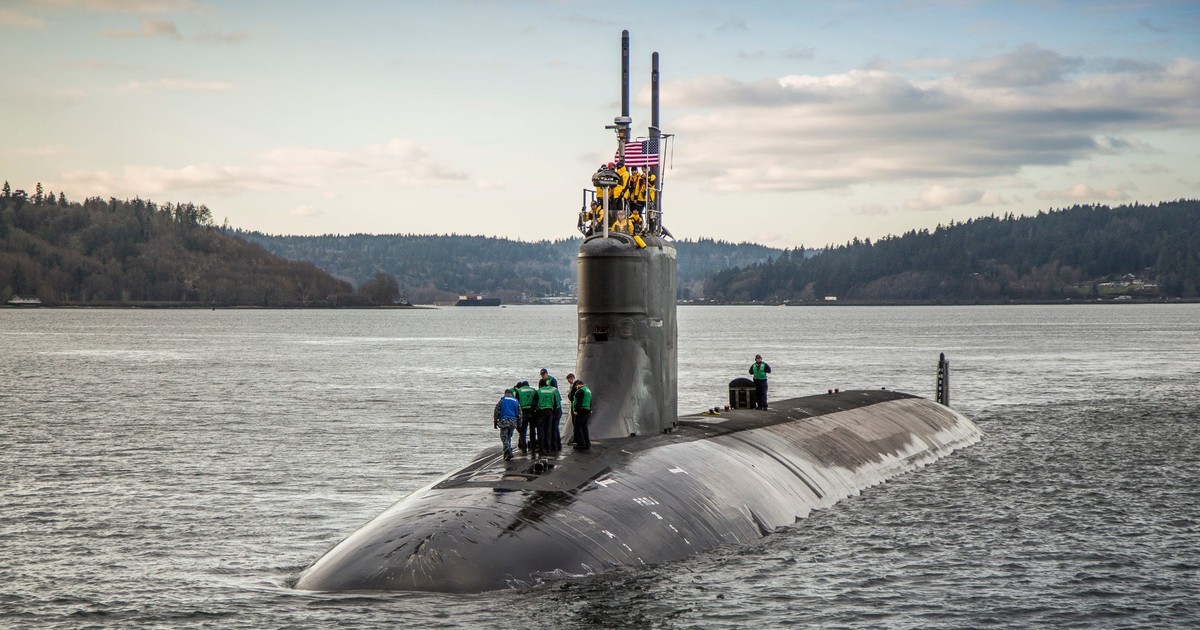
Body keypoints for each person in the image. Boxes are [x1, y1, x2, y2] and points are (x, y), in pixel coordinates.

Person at [535, 372, 562, 453]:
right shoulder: (553, 391)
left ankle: (542, 448)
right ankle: (552, 447)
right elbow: (556, 402)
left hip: (541, 413)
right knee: (551, 429)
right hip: (552, 411)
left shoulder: (538, 391)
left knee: (541, 430)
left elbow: (535, 403)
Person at [493, 388, 521, 461]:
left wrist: (495, 421)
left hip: (504, 420)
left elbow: (496, 410)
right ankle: (508, 451)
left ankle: (508, 450)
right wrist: (519, 423)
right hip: (513, 421)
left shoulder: (502, 400)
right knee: (509, 436)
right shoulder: (516, 401)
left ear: (505, 393)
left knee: (504, 437)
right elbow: (520, 413)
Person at [514, 380, 538, 453]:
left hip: (523, 411)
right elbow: (536, 400)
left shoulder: (519, 391)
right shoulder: (533, 390)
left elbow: (516, 402)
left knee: (523, 430)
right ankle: (533, 447)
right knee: (532, 430)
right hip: (532, 411)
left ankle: (524, 447)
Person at [571, 379, 592, 450]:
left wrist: (576, 410)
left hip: (581, 411)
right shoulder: (588, 390)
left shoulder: (580, 391)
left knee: (577, 427)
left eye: (576, 386)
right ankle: (587, 443)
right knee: (584, 427)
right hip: (587, 410)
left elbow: (578, 402)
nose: (576, 387)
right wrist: (590, 409)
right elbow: (590, 400)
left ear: (578, 385)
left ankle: (581, 444)